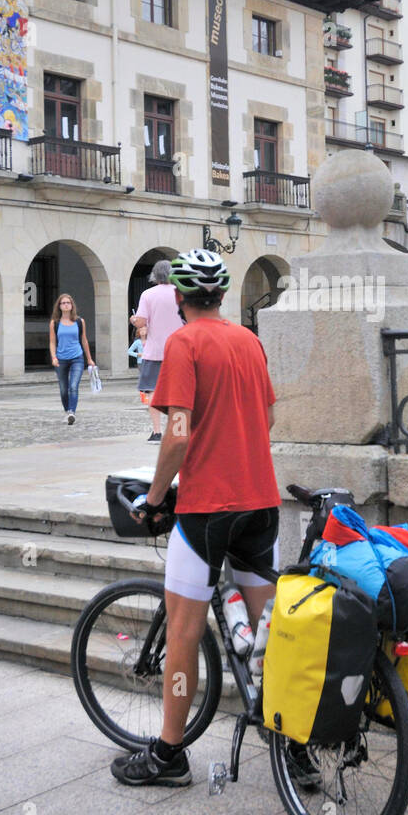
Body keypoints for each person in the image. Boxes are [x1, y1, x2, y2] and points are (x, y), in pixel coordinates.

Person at [111, 248, 280, 787]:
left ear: (180, 299)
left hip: (208, 507)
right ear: (223, 297)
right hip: (262, 501)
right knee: (269, 631)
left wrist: (157, 497)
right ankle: (293, 742)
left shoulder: (184, 342)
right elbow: (270, 414)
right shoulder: (250, 341)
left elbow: (177, 435)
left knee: (182, 632)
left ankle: (167, 754)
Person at [130, 260, 184, 444]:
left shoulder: (148, 294)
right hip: (179, 351)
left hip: (154, 351)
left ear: (154, 275)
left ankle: (156, 431)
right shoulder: (181, 293)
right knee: (179, 392)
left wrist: (133, 319)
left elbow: (141, 322)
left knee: (152, 390)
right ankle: (178, 429)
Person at [49, 293, 95, 425]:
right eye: (63, 303)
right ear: (59, 306)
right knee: (64, 389)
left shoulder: (80, 322)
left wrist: (89, 359)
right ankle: (67, 412)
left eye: (68, 303)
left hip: (77, 357)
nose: (65, 305)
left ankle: (71, 412)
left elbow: (84, 340)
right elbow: (52, 342)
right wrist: (54, 357)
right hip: (61, 359)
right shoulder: (55, 323)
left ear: (72, 305)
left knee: (73, 386)